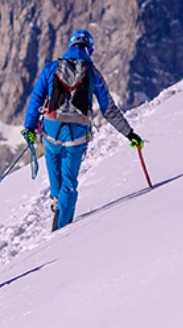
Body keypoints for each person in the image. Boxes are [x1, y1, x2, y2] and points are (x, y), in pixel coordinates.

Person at [19, 29, 143, 231]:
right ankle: (60, 228)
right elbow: (109, 110)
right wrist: (130, 134)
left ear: (70, 46)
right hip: (76, 133)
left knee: (53, 159)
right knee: (69, 182)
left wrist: (29, 127)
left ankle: (55, 198)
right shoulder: (93, 74)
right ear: (89, 50)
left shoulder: (51, 68)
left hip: (51, 129)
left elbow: (36, 99)